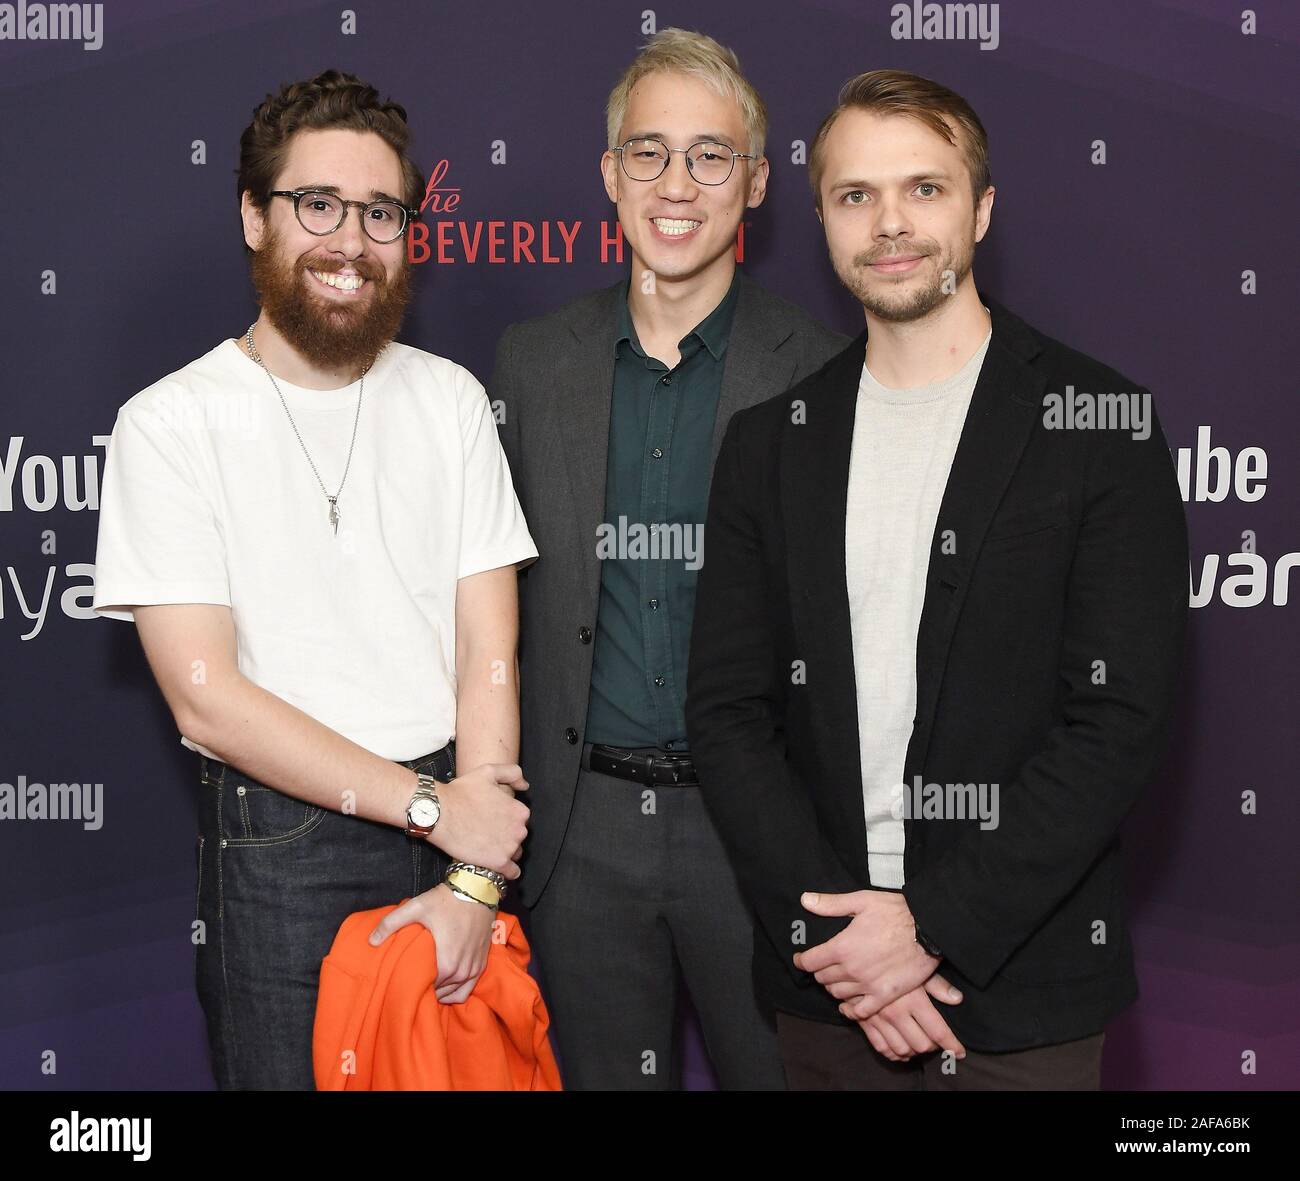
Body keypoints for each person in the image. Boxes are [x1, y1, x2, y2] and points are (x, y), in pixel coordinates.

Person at [685, 68, 1189, 1090]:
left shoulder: (1100, 426)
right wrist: (846, 944)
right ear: (820, 217)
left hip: (1020, 991)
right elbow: (729, 714)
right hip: (828, 987)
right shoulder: (767, 445)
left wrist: (930, 928)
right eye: (854, 195)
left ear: (981, 208)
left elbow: (1117, 721)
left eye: (924, 188)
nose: (889, 224)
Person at [91, 70, 536, 1090]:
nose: (351, 241)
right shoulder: (170, 422)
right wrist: (433, 808)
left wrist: (472, 870)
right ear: (255, 216)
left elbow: (490, 648)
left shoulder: (452, 400)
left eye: (381, 212)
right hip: (280, 844)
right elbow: (206, 700)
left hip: (454, 827)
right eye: (317, 205)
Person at [491, 29, 849, 1089]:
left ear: (754, 180)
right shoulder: (529, 362)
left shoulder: (826, 372)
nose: (676, 182)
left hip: (761, 832)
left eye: (709, 154)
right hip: (578, 830)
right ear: (609, 175)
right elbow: (488, 607)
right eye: (648, 152)